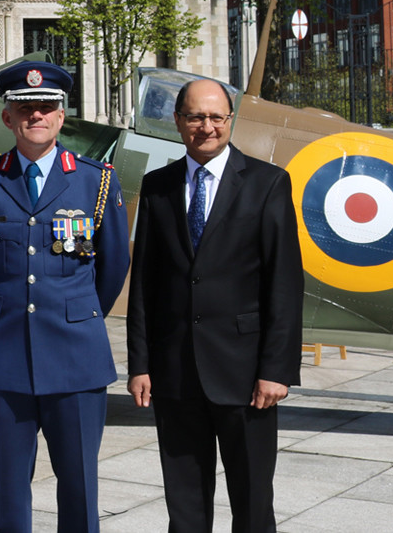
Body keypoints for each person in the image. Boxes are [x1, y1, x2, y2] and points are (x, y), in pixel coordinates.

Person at [0, 61, 130, 533]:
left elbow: (113, 266)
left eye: (46, 106)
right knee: (9, 489)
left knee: (79, 486)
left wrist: (75, 314)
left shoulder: (96, 180)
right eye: (24, 107)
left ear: (61, 115)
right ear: (7, 117)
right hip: (6, 357)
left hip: (76, 359)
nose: (36, 115)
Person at [126, 79, 304, 533]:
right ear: (178, 121)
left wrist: (277, 370)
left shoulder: (267, 184)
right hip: (175, 374)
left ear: (230, 120)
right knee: (184, 507)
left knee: (252, 504)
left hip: (246, 375)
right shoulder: (158, 186)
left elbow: (284, 284)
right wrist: (140, 364)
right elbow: (145, 282)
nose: (206, 127)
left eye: (216, 117)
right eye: (195, 117)